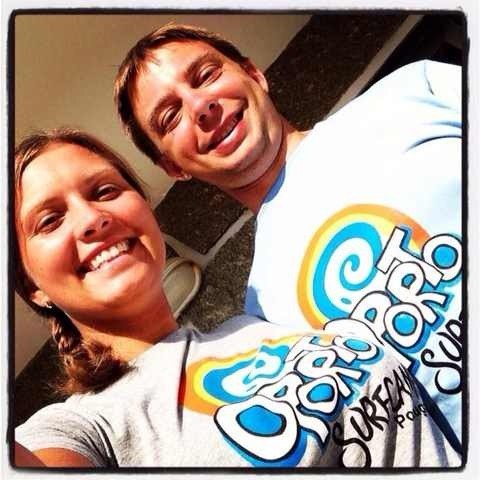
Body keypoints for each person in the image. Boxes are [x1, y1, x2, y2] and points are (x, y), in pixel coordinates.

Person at [13, 129, 460, 468]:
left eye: (105, 191)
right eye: (49, 221)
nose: (92, 218)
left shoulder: (256, 323)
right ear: (33, 286)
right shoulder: (85, 427)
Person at [114, 23, 463, 449]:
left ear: (253, 74)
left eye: (206, 75)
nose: (201, 106)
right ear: (173, 168)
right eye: (170, 117)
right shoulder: (263, 320)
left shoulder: (414, 92)